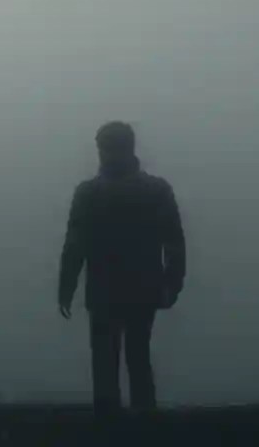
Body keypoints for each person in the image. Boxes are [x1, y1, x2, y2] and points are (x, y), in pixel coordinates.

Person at [57, 121, 185, 418]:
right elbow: (174, 241)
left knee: (120, 357)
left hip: (117, 288)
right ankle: (132, 422)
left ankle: (122, 423)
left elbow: (174, 241)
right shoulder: (153, 190)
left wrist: (172, 283)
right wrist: (171, 283)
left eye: (109, 148)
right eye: (105, 149)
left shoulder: (92, 192)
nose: (106, 155)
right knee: (123, 357)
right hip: (128, 287)